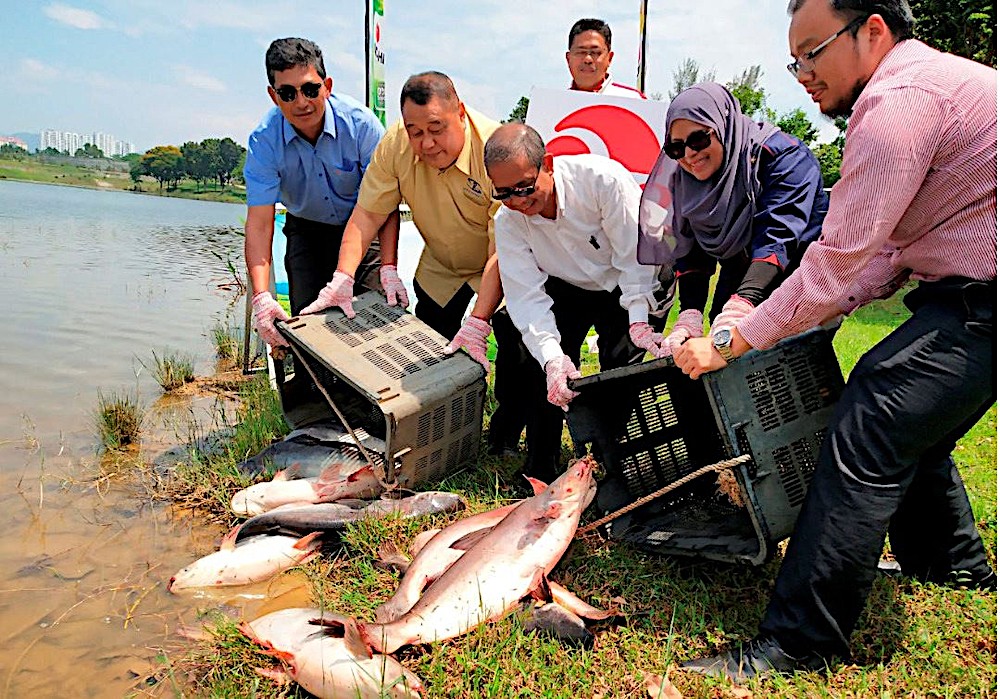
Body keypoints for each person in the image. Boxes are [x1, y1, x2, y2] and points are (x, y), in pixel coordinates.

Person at [675, 0, 997, 683]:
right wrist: (811, 315)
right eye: (795, 59)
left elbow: (834, 260)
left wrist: (732, 341)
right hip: (966, 290)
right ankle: (955, 568)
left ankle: (799, 642)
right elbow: (880, 258)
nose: (802, 75)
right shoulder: (924, 87)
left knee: (873, 416)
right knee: (912, 417)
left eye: (813, 52)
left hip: (983, 295)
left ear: (872, 30)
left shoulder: (897, 103)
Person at [301, 71, 523, 455]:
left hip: (499, 265)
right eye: (415, 131)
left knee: (514, 355)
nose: (426, 143)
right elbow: (367, 214)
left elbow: (502, 248)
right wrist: (342, 277)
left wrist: (480, 320)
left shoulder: (495, 150)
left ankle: (501, 438)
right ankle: (433, 434)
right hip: (440, 266)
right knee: (428, 357)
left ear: (461, 114)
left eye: (436, 128)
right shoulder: (396, 145)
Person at [485, 123, 662, 481]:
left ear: (547, 164)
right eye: (504, 193)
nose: (518, 202)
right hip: (567, 283)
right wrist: (552, 357)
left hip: (631, 277)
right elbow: (526, 297)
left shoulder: (602, 181)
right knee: (541, 365)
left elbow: (636, 257)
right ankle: (541, 465)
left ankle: (607, 462)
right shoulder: (508, 220)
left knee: (620, 368)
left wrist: (639, 318)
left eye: (525, 188)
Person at [641, 82, 828, 358]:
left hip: (798, 272)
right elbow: (692, 248)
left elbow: (778, 238)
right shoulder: (684, 180)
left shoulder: (783, 157)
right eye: (677, 148)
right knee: (723, 346)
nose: (689, 155)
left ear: (724, 127)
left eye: (699, 140)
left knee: (785, 354)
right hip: (740, 268)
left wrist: (743, 305)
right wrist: (690, 313)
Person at [244, 37, 393, 349]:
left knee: (375, 317)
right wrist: (261, 296)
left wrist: (389, 267)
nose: (301, 102)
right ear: (273, 96)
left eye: (310, 89)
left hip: (365, 225)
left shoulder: (362, 126)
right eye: (287, 93)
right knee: (308, 327)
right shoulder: (264, 142)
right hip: (307, 229)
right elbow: (260, 223)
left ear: (327, 85)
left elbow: (387, 202)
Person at [566, 18, 646, 99]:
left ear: (609, 58)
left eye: (595, 52)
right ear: (568, 58)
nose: (588, 59)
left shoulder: (633, 100)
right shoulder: (557, 105)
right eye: (581, 52)